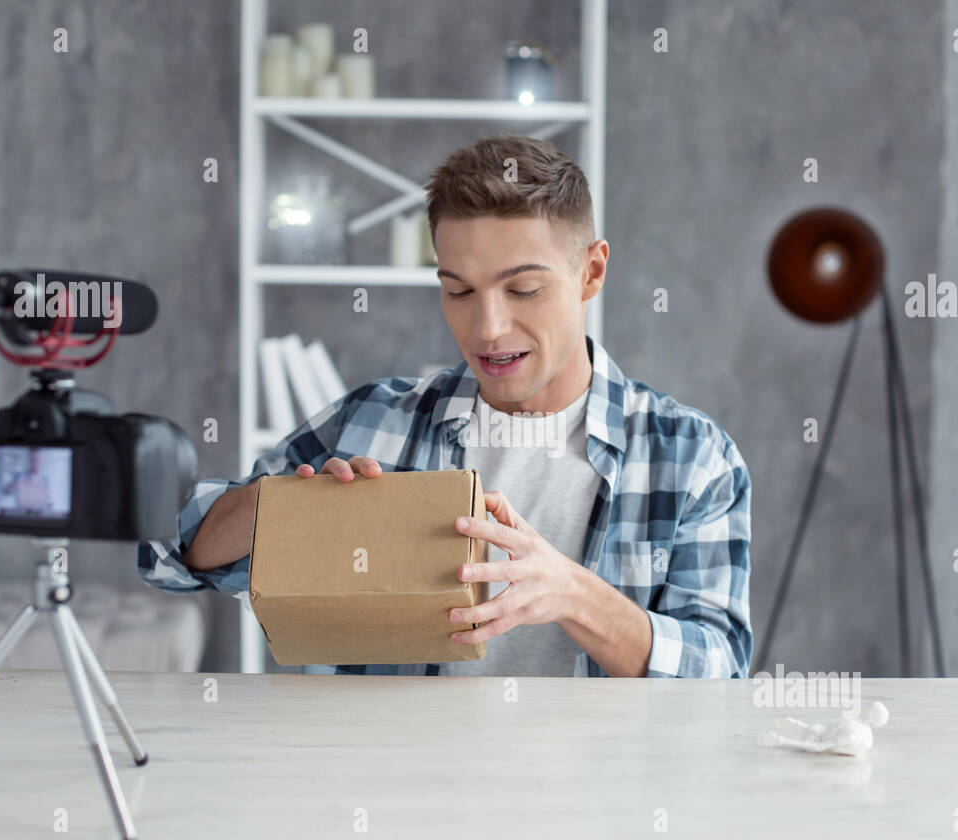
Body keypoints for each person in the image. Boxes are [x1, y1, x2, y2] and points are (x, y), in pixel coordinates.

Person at [138, 134, 751, 678]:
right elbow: (169, 554)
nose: (487, 328)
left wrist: (572, 593)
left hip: (598, 802)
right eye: (458, 290)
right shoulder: (373, 421)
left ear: (591, 272)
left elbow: (718, 672)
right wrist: (284, 509)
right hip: (398, 796)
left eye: (524, 289)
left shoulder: (692, 457)